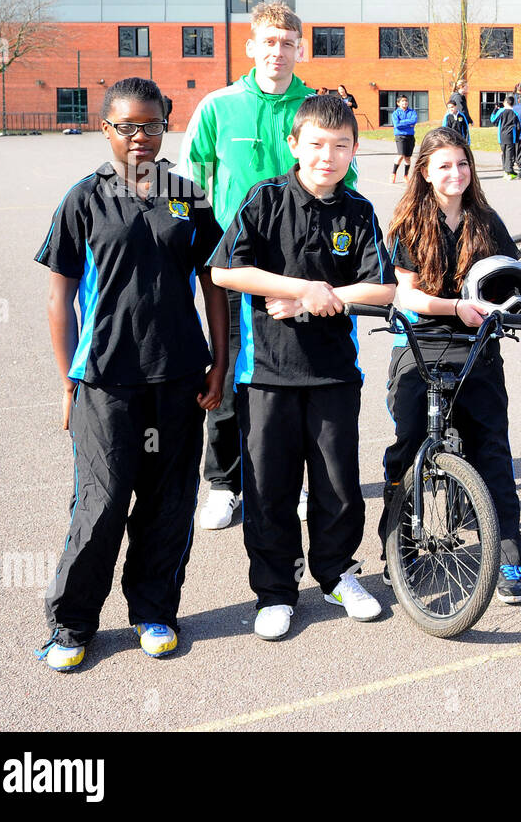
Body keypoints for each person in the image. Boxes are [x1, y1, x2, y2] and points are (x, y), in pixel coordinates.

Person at [34, 77, 229, 671]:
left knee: (169, 502)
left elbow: (213, 283)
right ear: (107, 129)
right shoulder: (82, 199)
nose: (140, 137)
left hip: (178, 378)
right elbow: (58, 297)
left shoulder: (188, 195)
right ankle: (72, 624)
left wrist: (220, 362)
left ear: (165, 125)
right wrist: (69, 381)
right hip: (106, 381)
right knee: (102, 500)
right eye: (126, 126)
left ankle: (154, 610)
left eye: (150, 124)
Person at [210, 95, 396, 641]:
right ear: (294, 145)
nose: (327, 156)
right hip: (266, 373)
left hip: (334, 374)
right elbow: (226, 272)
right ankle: (276, 590)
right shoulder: (264, 200)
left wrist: (319, 297)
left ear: (354, 151)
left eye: (341, 146)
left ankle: (337, 573)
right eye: (316, 144)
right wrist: (300, 289)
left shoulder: (358, 210)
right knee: (270, 487)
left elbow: (383, 289)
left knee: (338, 485)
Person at [178, 0, 352, 531]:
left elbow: (344, 178)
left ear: (301, 48)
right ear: (252, 47)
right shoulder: (218, 106)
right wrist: (190, 249)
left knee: (303, 379)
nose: (278, 52)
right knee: (230, 373)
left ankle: (296, 484)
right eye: (269, 42)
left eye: (288, 43)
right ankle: (225, 484)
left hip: (305, 265)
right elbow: (190, 182)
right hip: (237, 265)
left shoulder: (317, 106)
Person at [380, 127, 521, 603]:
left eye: (463, 163)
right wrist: (454, 309)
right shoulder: (411, 221)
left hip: (478, 338)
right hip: (422, 338)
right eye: (445, 165)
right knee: (410, 442)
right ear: (426, 172)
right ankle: (399, 543)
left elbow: (516, 276)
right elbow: (405, 294)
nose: (456, 173)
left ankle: (509, 551)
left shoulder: (485, 219)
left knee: (491, 445)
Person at [390, 95, 418, 183]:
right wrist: (408, 124)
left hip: (410, 136)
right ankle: (393, 173)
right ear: (398, 103)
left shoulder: (412, 112)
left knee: (407, 158)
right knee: (400, 155)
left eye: (406, 101)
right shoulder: (395, 113)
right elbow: (397, 125)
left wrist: (402, 122)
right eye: (402, 101)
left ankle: (405, 176)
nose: (405, 102)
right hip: (400, 136)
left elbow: (414, 121)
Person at [494, 93, 520, 180]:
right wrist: (518, 137)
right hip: (511, 136)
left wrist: (494, 110)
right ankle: (508, 171)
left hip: (501, 135)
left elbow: (493, 120)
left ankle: (506, 170)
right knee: (509, 154)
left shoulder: (501, 111)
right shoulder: (515, 113)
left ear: (505, 102)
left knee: (504, 153)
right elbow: (519, 127)